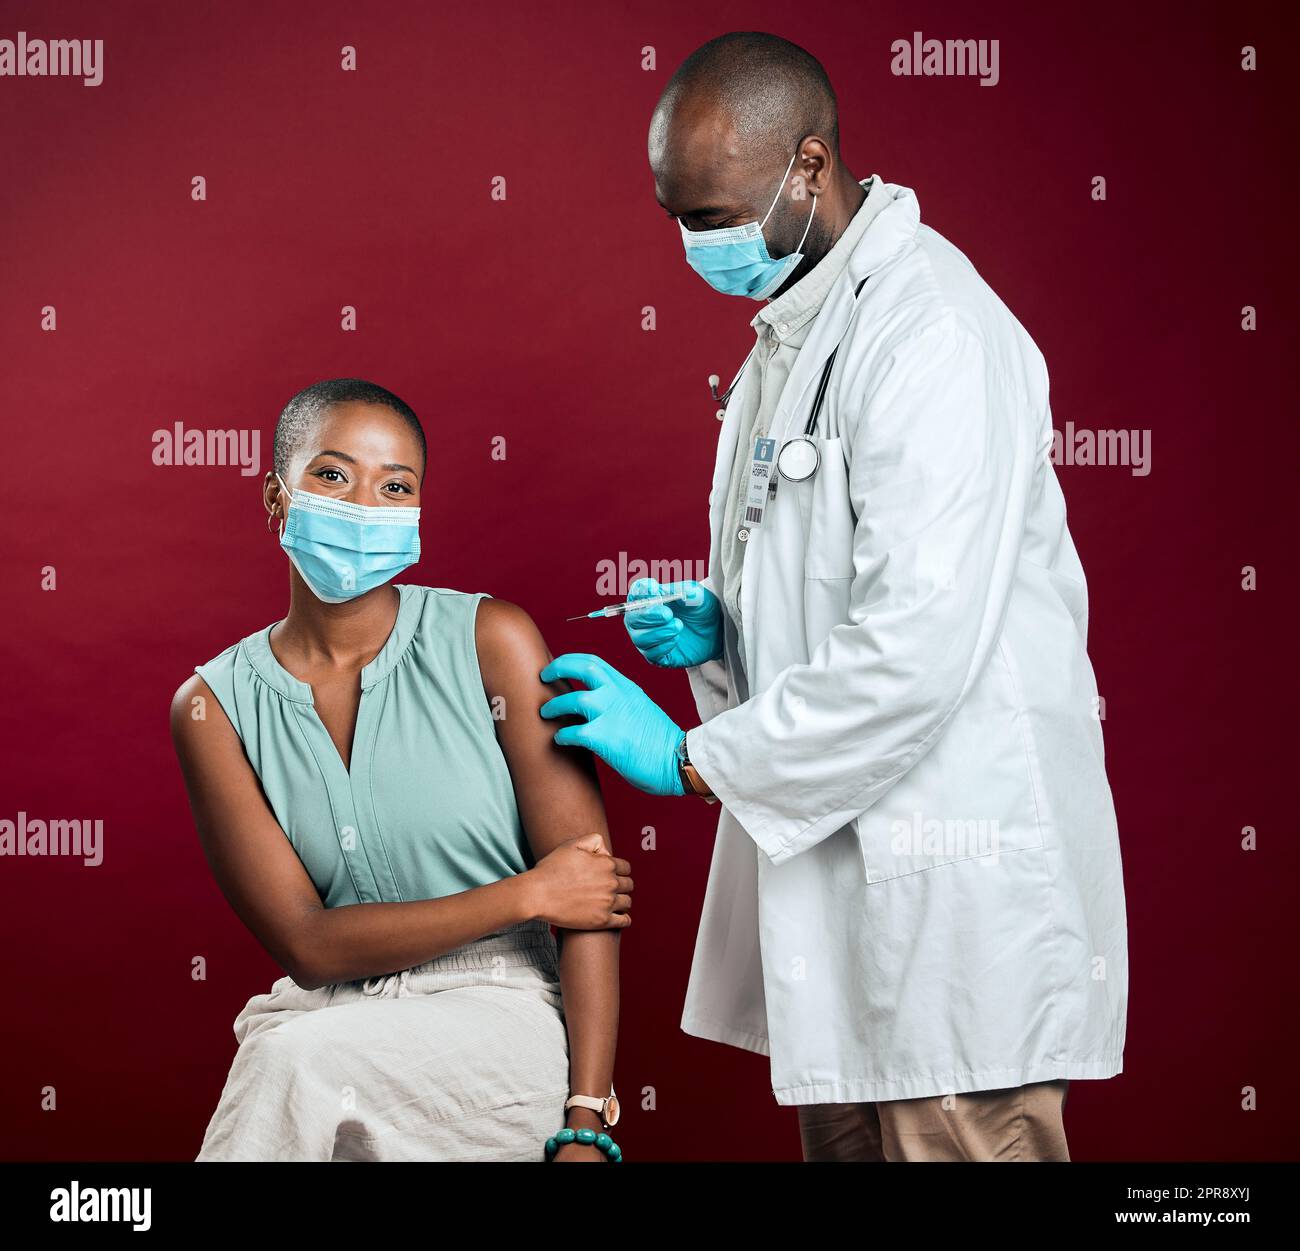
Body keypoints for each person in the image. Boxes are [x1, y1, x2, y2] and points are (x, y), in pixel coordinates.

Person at [538, 32, 1128, 1162]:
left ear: (808, 167)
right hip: (849, 918)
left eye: (712, 215)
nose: (693, 244)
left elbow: (915, 647)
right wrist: (731, 630)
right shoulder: (799, 330)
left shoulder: (933, 334)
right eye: (675, 214)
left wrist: (690, 759)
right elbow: (832, 582)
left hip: (952, 925)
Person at [171, 378, 628, 1162]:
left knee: (287, 1069)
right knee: (294, 1060)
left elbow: (588, 900)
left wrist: (586, 1119)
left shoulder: (493, 642)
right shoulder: (213, 707)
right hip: (325, 1010)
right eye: (333, 475)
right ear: (276, 496)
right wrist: (527, 891)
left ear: (417, 511)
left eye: (394, 486)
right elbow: (308, 945)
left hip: (497, 1014)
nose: (362, 506)